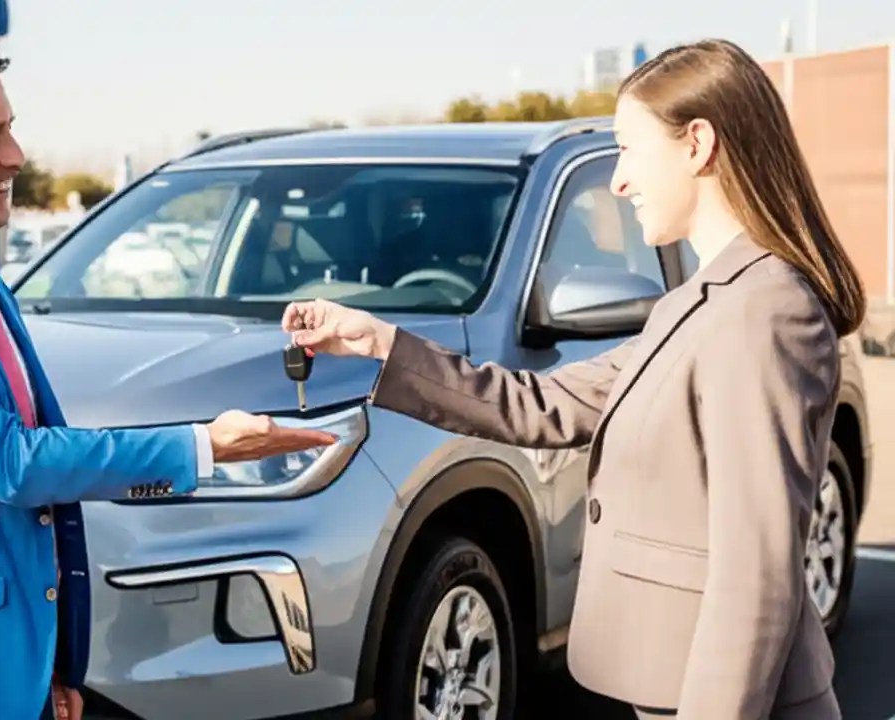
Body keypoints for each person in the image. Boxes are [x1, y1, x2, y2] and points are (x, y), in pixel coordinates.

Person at [283, 39, 864, 720]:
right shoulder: (703, 302)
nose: (619, 181)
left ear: (697, 144)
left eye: (628, 149)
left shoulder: (762, 312)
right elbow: (546, 404)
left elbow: (756, 572)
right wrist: (381, 344)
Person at [0, 36, 333, 720]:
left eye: (11, 130)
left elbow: (21, 513)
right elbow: (11, 464)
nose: (16, 155)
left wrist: (44, 663)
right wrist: (205, 445)